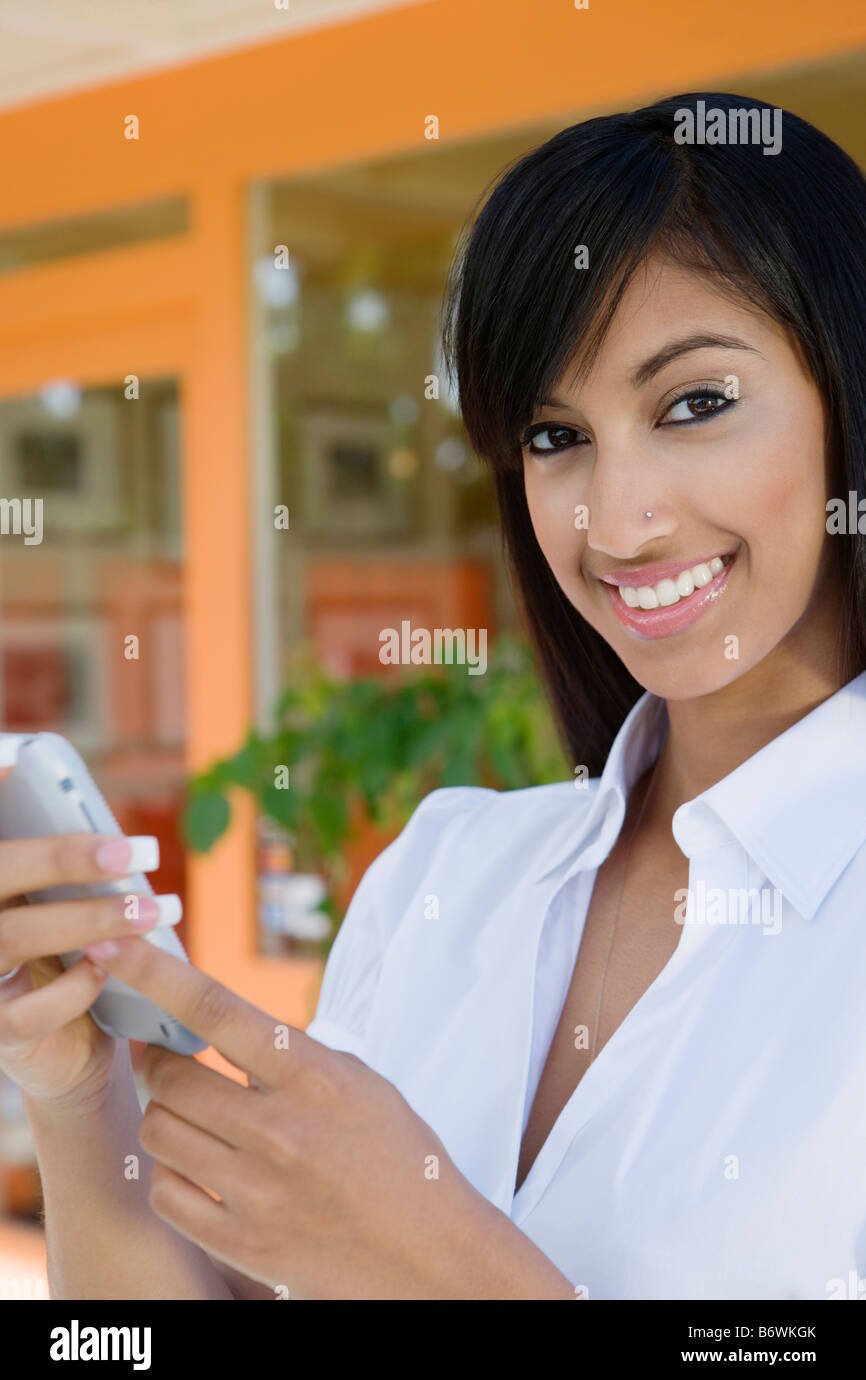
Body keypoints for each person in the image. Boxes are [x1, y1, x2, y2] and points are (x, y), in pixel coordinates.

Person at [1, 91, 864, 1299]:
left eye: (693, 404)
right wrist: (79, 1095)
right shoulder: (446, 872)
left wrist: (434, 1267)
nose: (614, 520)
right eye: (555, 437)